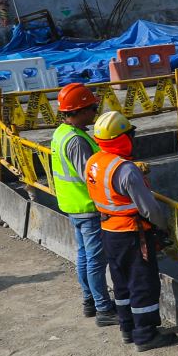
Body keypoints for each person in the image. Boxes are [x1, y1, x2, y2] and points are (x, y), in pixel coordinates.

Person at [85, 110, 178, 352]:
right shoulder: (125, 170)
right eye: (130, 134)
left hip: (108, 230)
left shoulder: (95, 162)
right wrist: (163, 227)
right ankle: (146, 335)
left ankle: (128, 328)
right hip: (132, 233)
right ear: (122, 138)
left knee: (122, 283)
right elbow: (149, 209)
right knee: (143, 284)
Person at [51, 83, 116, 326]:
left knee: (84, 256)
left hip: (72, 206)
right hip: (87, 208)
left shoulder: (61, 133)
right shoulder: (77, 141)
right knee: (95, 260)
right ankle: (103, 308)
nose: (95, 113)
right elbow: (90, 177)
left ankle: (90, 301)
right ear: (78, 111)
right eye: (91, 108)